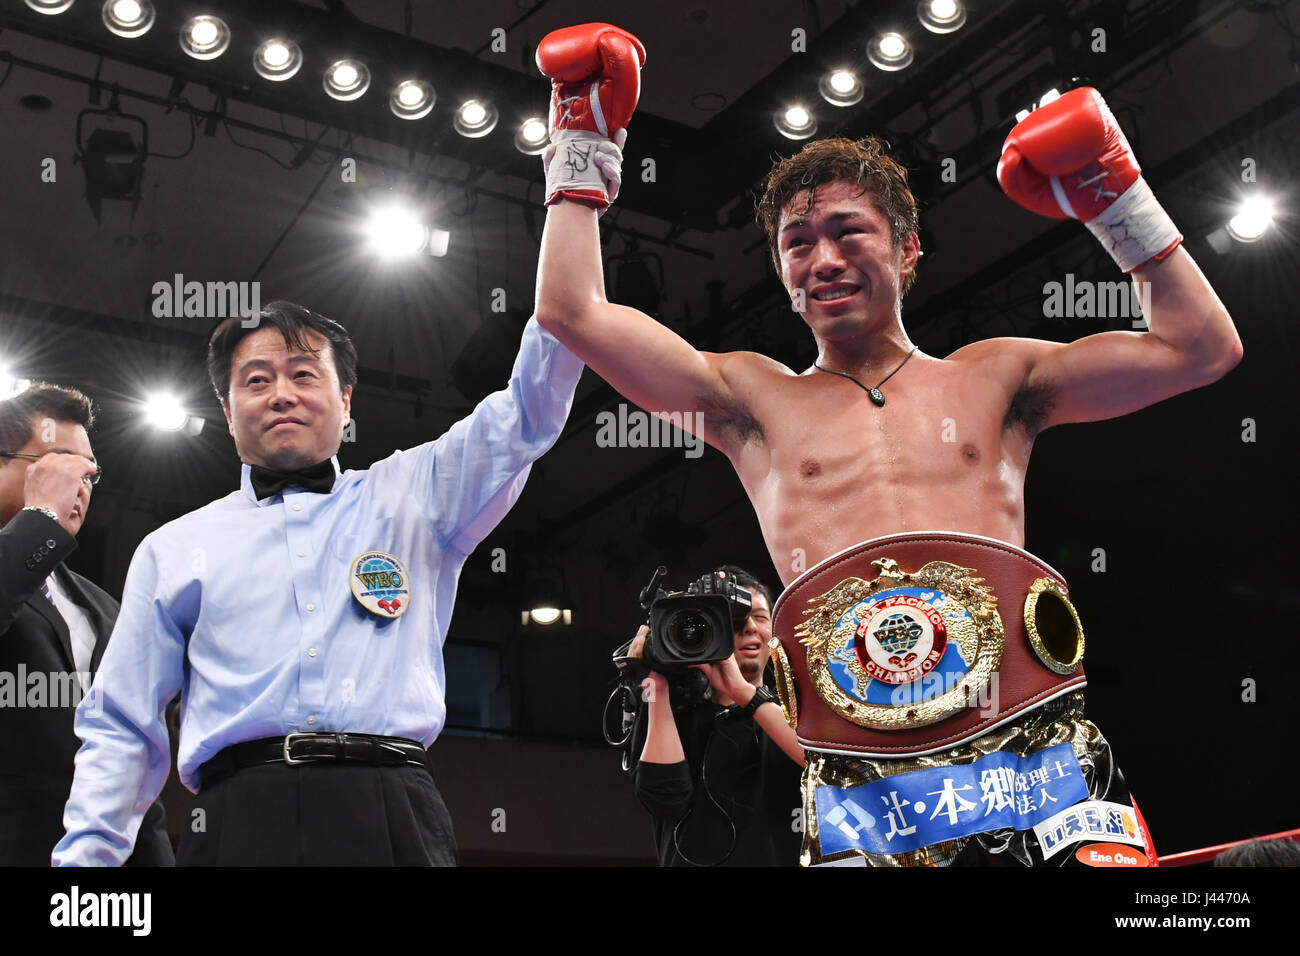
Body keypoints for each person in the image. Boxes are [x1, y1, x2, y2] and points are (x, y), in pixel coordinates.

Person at [533, 24, 1241, 865]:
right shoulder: (751, 402)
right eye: (798, 245)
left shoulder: (998, 376)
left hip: (1029, 752)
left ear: (908, 252)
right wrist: (580, 147)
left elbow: (1201, 349)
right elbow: (572, 313)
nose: (822, 259)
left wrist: (1111, 199)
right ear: (783, 276)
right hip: (864, 781)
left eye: (848, 232)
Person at [53, 300, 583, 865]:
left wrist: (571, 224)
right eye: (257, 380)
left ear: (345, 398)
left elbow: (525, 416)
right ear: (228, 412)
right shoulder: (174, 548)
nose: (282, 394)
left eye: (304, 374)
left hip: (392, 806)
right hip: (239, 818)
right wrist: (85, 871)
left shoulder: (415, 495)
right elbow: (122, 722)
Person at [0, 384, 172, 866]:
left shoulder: (103, 604)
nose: (79, 485)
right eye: (59, 464)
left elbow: (131, 751)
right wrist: (40, 518)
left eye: (89, 475)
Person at [628, 566, 804, 866]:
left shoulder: (797, 712)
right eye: (734, 620)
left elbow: (820, 760)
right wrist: (658, 686)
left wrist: (742, 692)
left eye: (760, 617)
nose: (749, 627)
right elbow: (664, 799)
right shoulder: (676, 710)